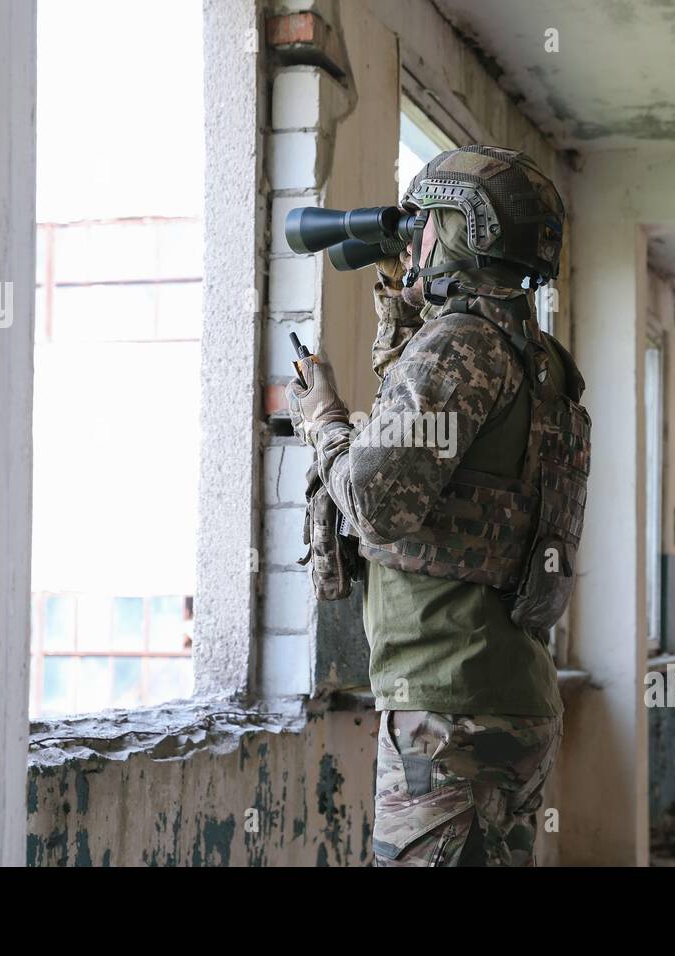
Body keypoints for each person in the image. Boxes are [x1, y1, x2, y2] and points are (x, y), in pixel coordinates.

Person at [286, 146, 589, 866]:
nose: (411, 239)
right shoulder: (533, 359)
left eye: (425, 223)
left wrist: (323, 417)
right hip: (508, 698)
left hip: (448, 710)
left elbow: (371, 500)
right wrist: (405, 313)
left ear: (461, 231)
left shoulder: (458, 346)